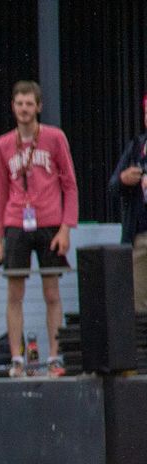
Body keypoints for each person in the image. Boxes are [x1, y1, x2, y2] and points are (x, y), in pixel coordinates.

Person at [0, 80, 79, 378]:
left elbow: (69, 183)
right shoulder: (3, 144)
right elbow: (1, 192)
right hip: (17, 222)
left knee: (51, 291)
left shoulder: (54, 138)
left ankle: (55, 356)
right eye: (19, 104)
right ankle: (17, 358)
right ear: (13, 107)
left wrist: (66, 228)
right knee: (14, 291)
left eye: (30, 104)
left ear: (39, 106)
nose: (24, 109)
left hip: (50, 222)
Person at [107, 91, 147, 312]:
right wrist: (124, 179)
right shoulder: (135, 148)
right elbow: (113, 186)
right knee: (138, 305)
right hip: (140, 236)